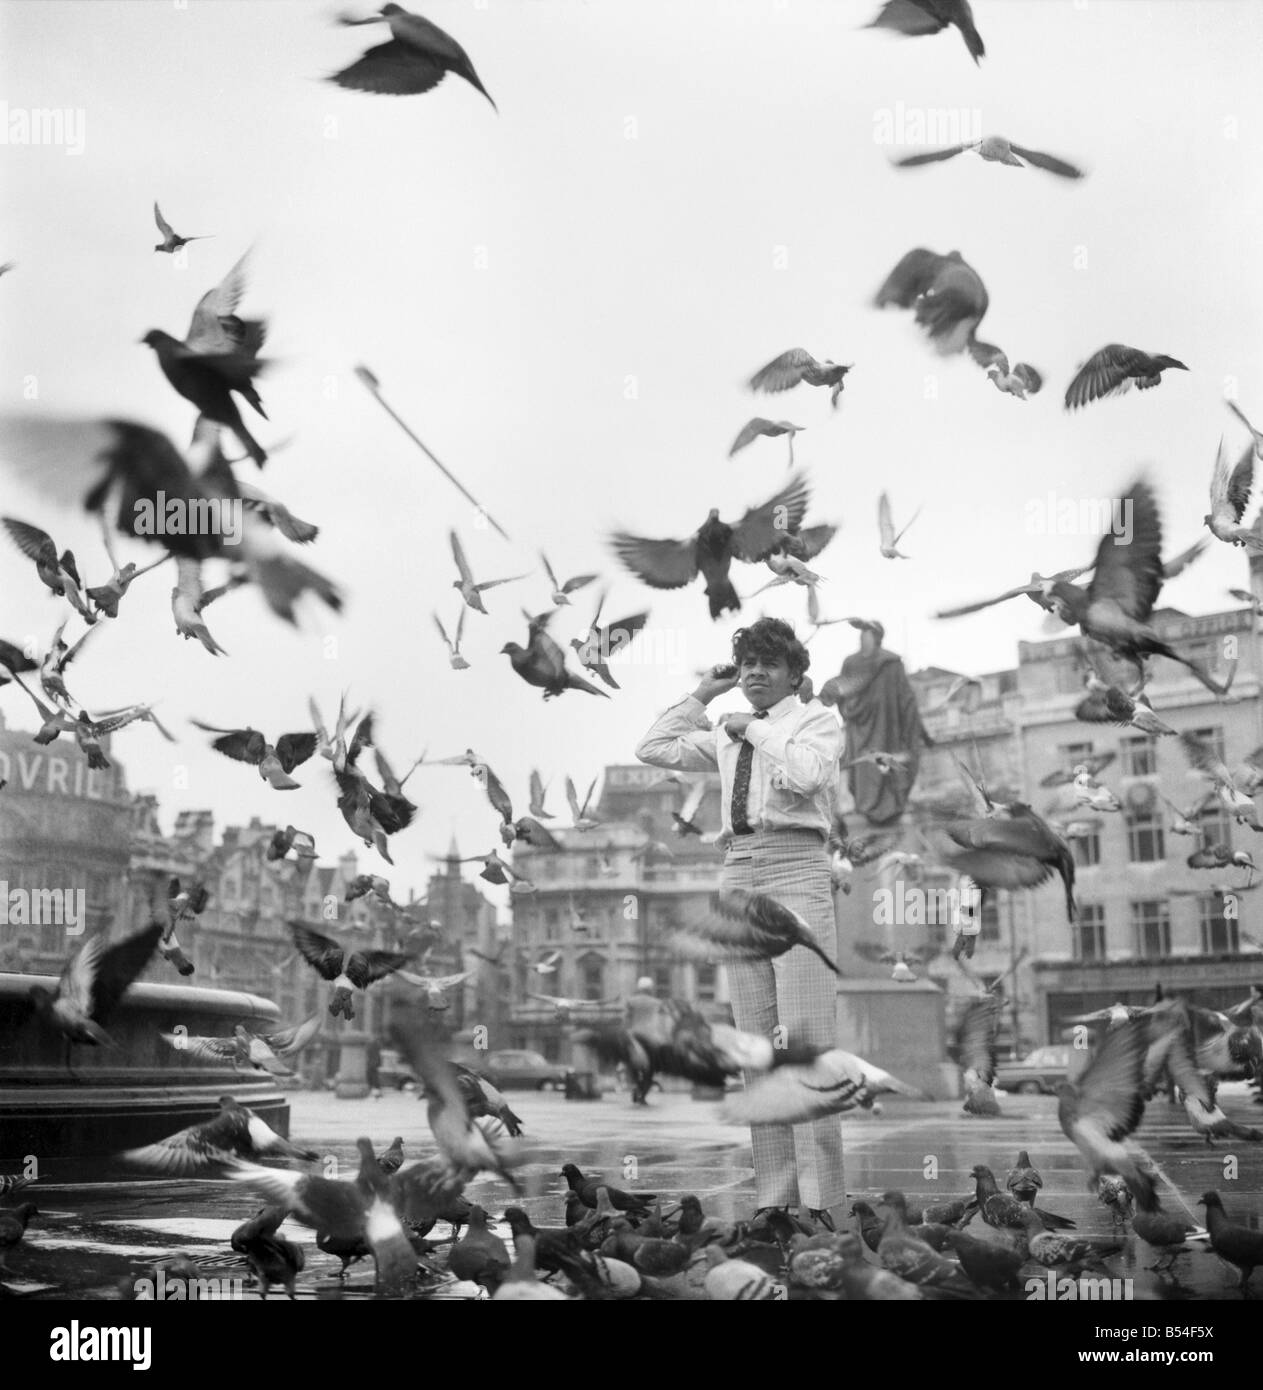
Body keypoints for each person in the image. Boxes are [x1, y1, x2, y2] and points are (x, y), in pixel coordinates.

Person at [635, 616, 844, 1230]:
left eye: (766, 665)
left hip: (798, 866)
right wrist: (704, 694)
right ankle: (774, 1198)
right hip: (739, 867)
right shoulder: (724, 732)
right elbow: (651, 749)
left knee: (802, 1042)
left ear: (794, 675)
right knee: (757, 1043)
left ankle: (824, 1201)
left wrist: (750, 725)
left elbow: (810, 776)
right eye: (746, 664)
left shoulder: (816, 721)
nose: (753, 673)